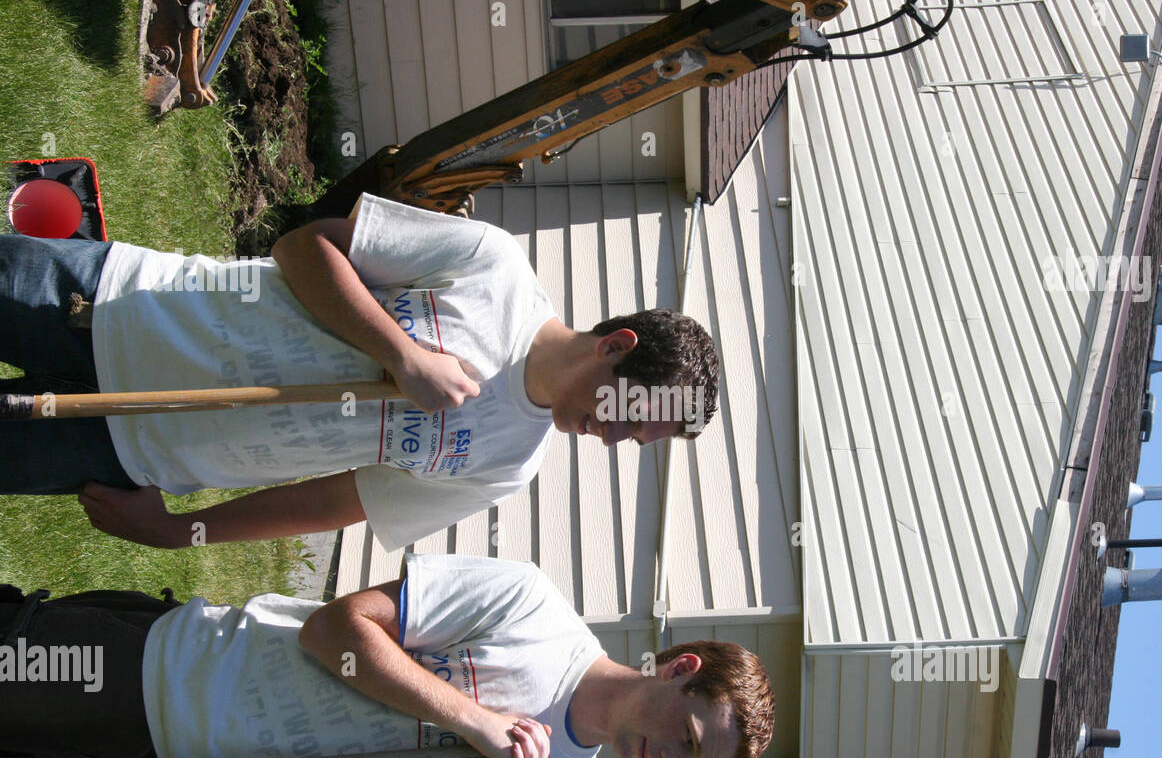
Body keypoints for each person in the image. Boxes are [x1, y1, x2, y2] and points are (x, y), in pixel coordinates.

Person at [0, 193, 719, 550]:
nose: (614, 438)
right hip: (118, 307)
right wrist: (400, 356)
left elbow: (337, 503)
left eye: (636, 440)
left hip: (128, 449)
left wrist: (183, 531)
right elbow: (302, 247)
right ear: (618, 346)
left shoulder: (508, 464)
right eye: (631, 416)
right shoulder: (492, 265)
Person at [0, 555, 774, 758]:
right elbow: (331, 630)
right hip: (169, 673)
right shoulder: (532, 608)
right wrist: (472, 721)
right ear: (680, 668)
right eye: (690, 738)